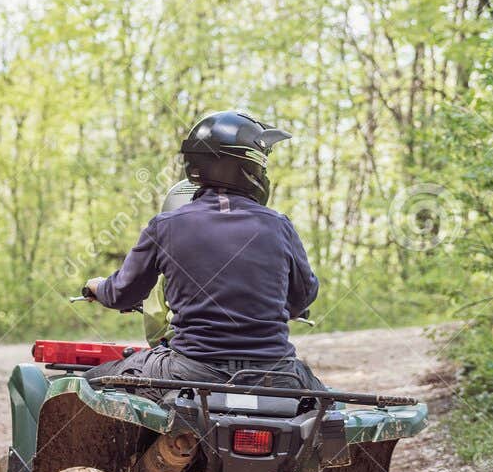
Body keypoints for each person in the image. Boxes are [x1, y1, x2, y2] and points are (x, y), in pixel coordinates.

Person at [80, 111, 325, 393]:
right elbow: (303, 297)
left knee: (82, 387)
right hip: (275, 374)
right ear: (249, 167)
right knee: (331, 412)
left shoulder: (167, 225)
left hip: (191, 372)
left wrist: (97, 287)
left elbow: (123, 293)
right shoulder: (279, 226)